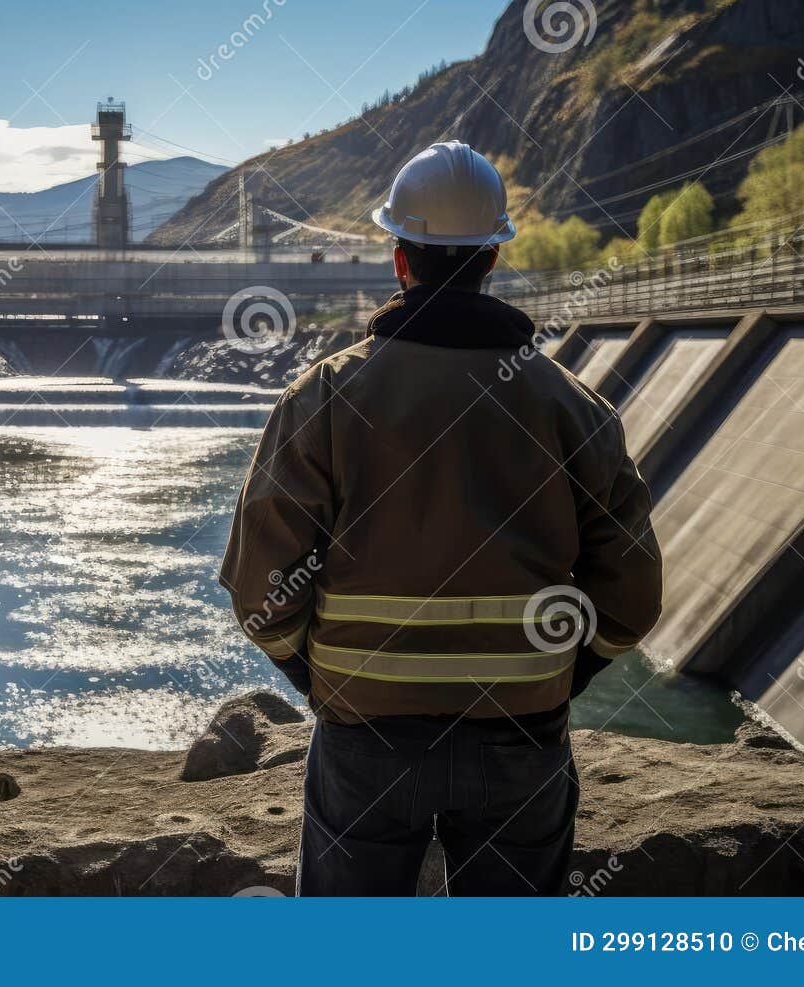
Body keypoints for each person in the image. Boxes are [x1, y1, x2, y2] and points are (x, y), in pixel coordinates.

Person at [219, 141, 662, 896]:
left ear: (400, 259)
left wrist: (319, 676)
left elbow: (260, 584)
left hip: (365, 734)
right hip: (522, 734)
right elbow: (632, 594)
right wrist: (561, 671)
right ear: (493, 261)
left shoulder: (323, 397)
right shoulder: (570, 404)